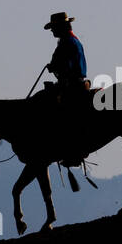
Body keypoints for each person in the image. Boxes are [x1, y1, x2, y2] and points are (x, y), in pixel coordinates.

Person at [40, 12, 90, 168]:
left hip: (72, 85)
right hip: (76, 83)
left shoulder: (67, 42)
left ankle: (69, 151)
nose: (52, 31)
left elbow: (66, 67)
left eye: (54, 28)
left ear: (61, 27)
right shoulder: (70, 41)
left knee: (58, 112)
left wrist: (54, 66)